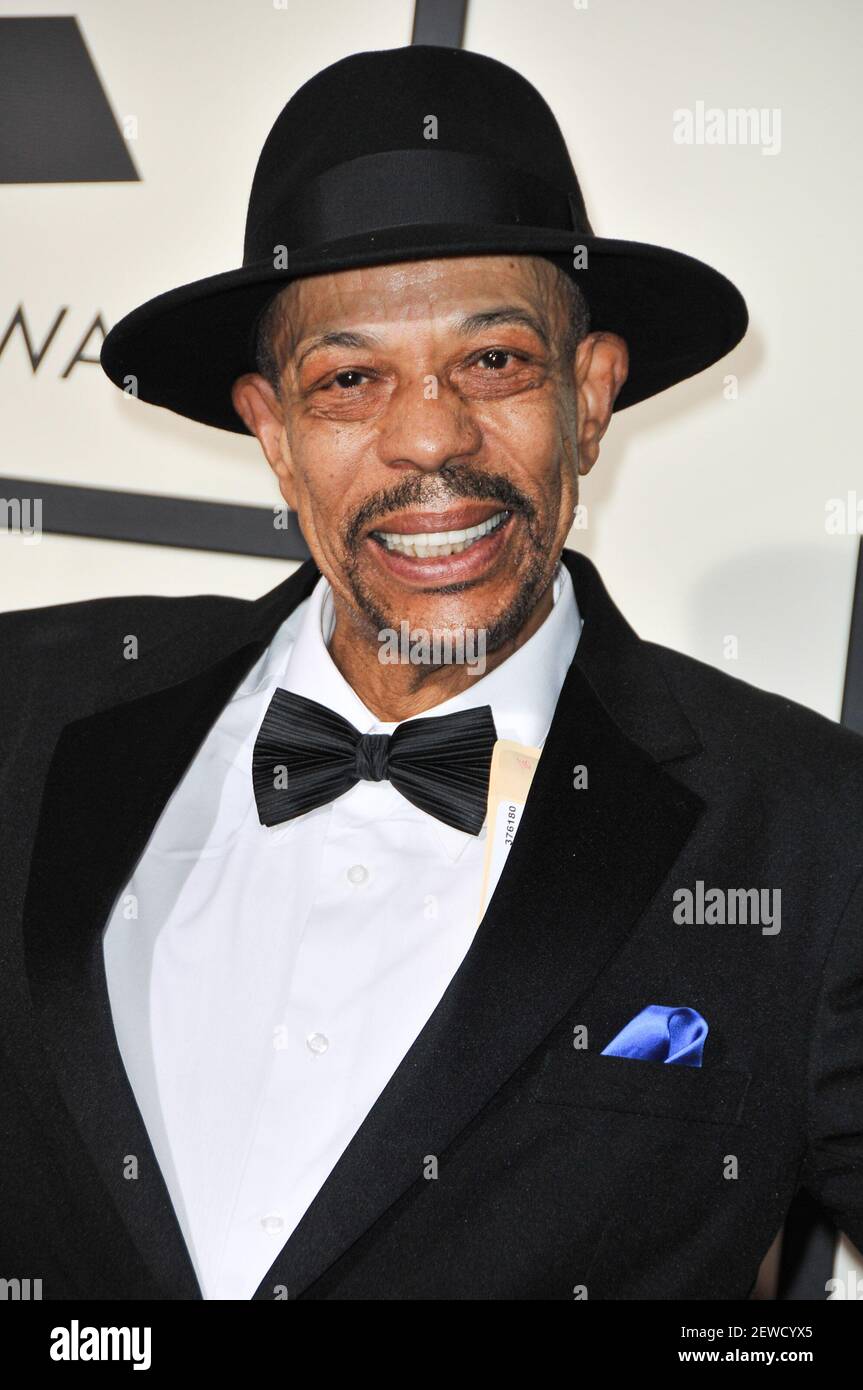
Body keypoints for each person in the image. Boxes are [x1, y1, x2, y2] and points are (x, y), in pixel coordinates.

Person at [1, 45, 861, 1302]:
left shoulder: (810, 833)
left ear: (589, 395)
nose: (429, 435)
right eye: (348, 380)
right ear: (273, 434)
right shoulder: (29, 708)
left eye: (494, 362)